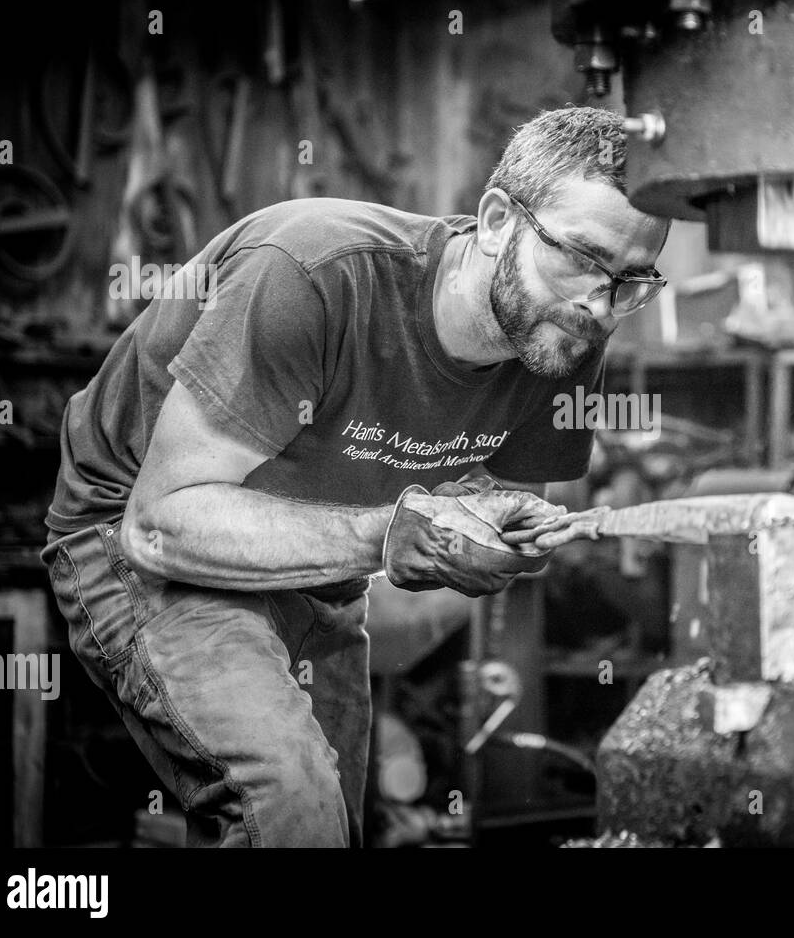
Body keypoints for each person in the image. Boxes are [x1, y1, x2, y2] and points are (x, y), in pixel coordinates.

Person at [39, 106, 670, 846]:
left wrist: (498, 530)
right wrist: (383, 536)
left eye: (631, 282)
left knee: (337, 818)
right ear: (498, 219)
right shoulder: (312, 273)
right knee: (288, 800)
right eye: (582, 259)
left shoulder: (562, 336)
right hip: (138, 531)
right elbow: (161, 522)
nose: (600, 306)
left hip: (313, 552)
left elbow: (505, 497)